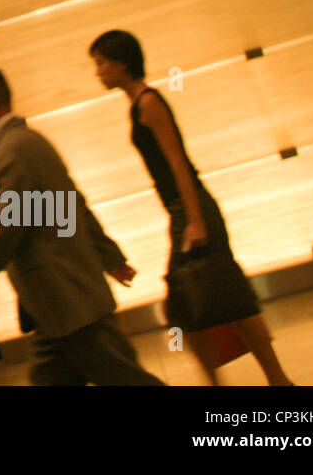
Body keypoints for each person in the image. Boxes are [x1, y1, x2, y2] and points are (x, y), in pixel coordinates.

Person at [89, 29, 294, 386]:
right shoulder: (138, 104)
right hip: (183, 212)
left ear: (122, 63)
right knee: (215, 303)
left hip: (192, 211)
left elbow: (178, 162)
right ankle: (261, 381)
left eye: (102, 63)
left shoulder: (149, 103)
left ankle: (271, 380)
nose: (98, 72)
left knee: (209, 303)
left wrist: (195, 220)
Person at [0, 67, 164, 385]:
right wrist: (109, 257)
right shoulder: (28, 141)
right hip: (58, 304)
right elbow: (72, 204)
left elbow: (8, 230)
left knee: (126, 381)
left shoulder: (12, 151)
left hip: (66, 298)